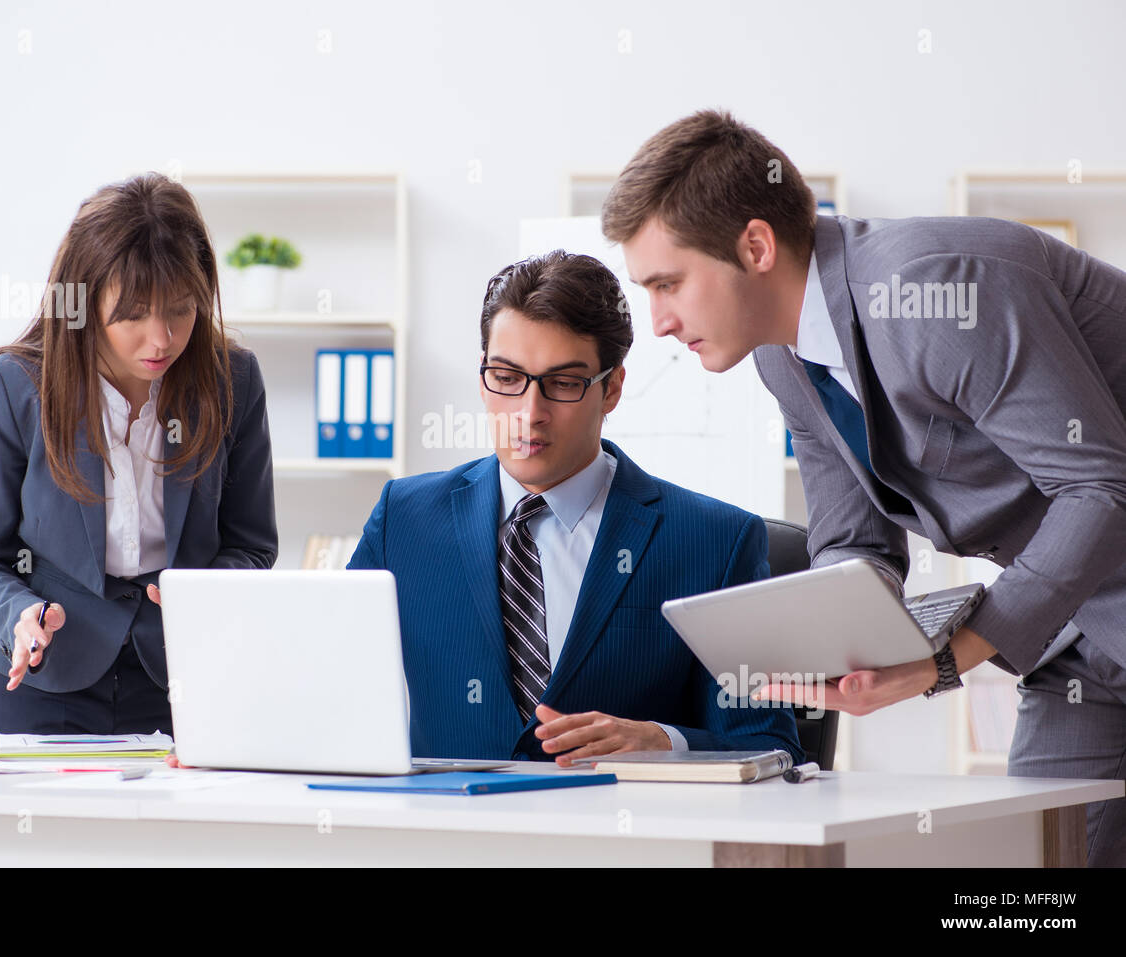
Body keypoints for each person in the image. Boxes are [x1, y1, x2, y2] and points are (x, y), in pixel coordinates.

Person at [603, 109, 1126, 864]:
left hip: (1077, 589)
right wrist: (840, 637)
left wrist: (945, 659)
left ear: (755, 245)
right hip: (1078, 628)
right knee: (1038, 876)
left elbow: (1100, 483)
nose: (657, 320)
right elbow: (854, 538)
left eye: (668, 283)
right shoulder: (782, 359)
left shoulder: (938, 291)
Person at [347, 250, 802, 766]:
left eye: (563, 384)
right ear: (482, 378)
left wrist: (662, 741)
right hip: (448, 837)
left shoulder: (716, 541)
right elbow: (329, 684)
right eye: (506, 376)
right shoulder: (404, 518)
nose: (529, 413)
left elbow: (769, 748)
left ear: (611, 389)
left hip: (622, 836)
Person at [0, 173, 278, 747]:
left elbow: (251, 546)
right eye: (133, 315)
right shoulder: (14, 386)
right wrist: (20, 617)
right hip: (41, 682)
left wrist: (200, 597)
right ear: (82, 300)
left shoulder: (234, 381)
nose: (161, 339)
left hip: (184, 681)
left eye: (182, 309)